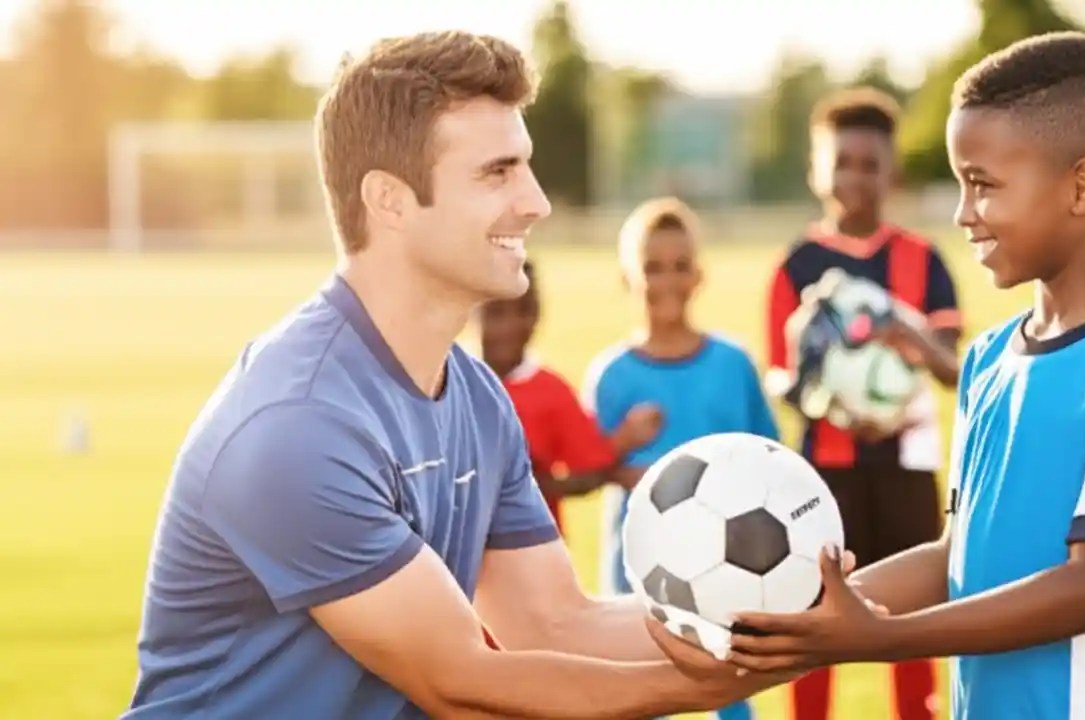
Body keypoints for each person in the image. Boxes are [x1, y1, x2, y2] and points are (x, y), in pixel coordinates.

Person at [123, 32, 789, 720]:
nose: (536, 202)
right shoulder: (298, 423)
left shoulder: (475, 397)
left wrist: (788, 613)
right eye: (496, 172)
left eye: (524, 167)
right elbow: (463, 688)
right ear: (390, 201)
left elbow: (560, 626)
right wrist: (748, 669)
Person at [653, 32, 1085, 720]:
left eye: (983, 184)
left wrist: (883, 639)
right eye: (959, 183)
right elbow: (957, 553)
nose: (962, 212)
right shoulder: (987, 361)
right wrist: (799, 613)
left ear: (1084, 187)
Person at [764, 85, 961, 720]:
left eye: (869, 163)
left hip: (905, 467)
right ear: (816, 169)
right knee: (814, 612)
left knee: (908, 619)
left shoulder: (921, 261)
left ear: (891, 172)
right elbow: (779, 376)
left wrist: (910, 337)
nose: (855, 176)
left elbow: (953, 365)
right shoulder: (796, 265)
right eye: (841, 161)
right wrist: (821, 389)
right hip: (824, 471)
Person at [585, 196, 780, 720]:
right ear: (627, 277)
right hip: (640, 566)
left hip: (726, 557)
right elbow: (591, 467)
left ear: (699, 275)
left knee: (729, 684)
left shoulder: (732, 363)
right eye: (651, 267)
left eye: (679, 266)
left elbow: (766, 454)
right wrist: (632, 451)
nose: (666, 280)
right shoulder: (613, 374)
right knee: (639, 690)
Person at [476, 259, 663, 533]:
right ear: (470, 311)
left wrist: (623, 441)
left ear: (539, 313)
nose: (511, 325)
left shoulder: (552, 391)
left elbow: (587, 472)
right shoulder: (441, 380)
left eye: (524, 310)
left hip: (535, 557)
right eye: (496, 311)